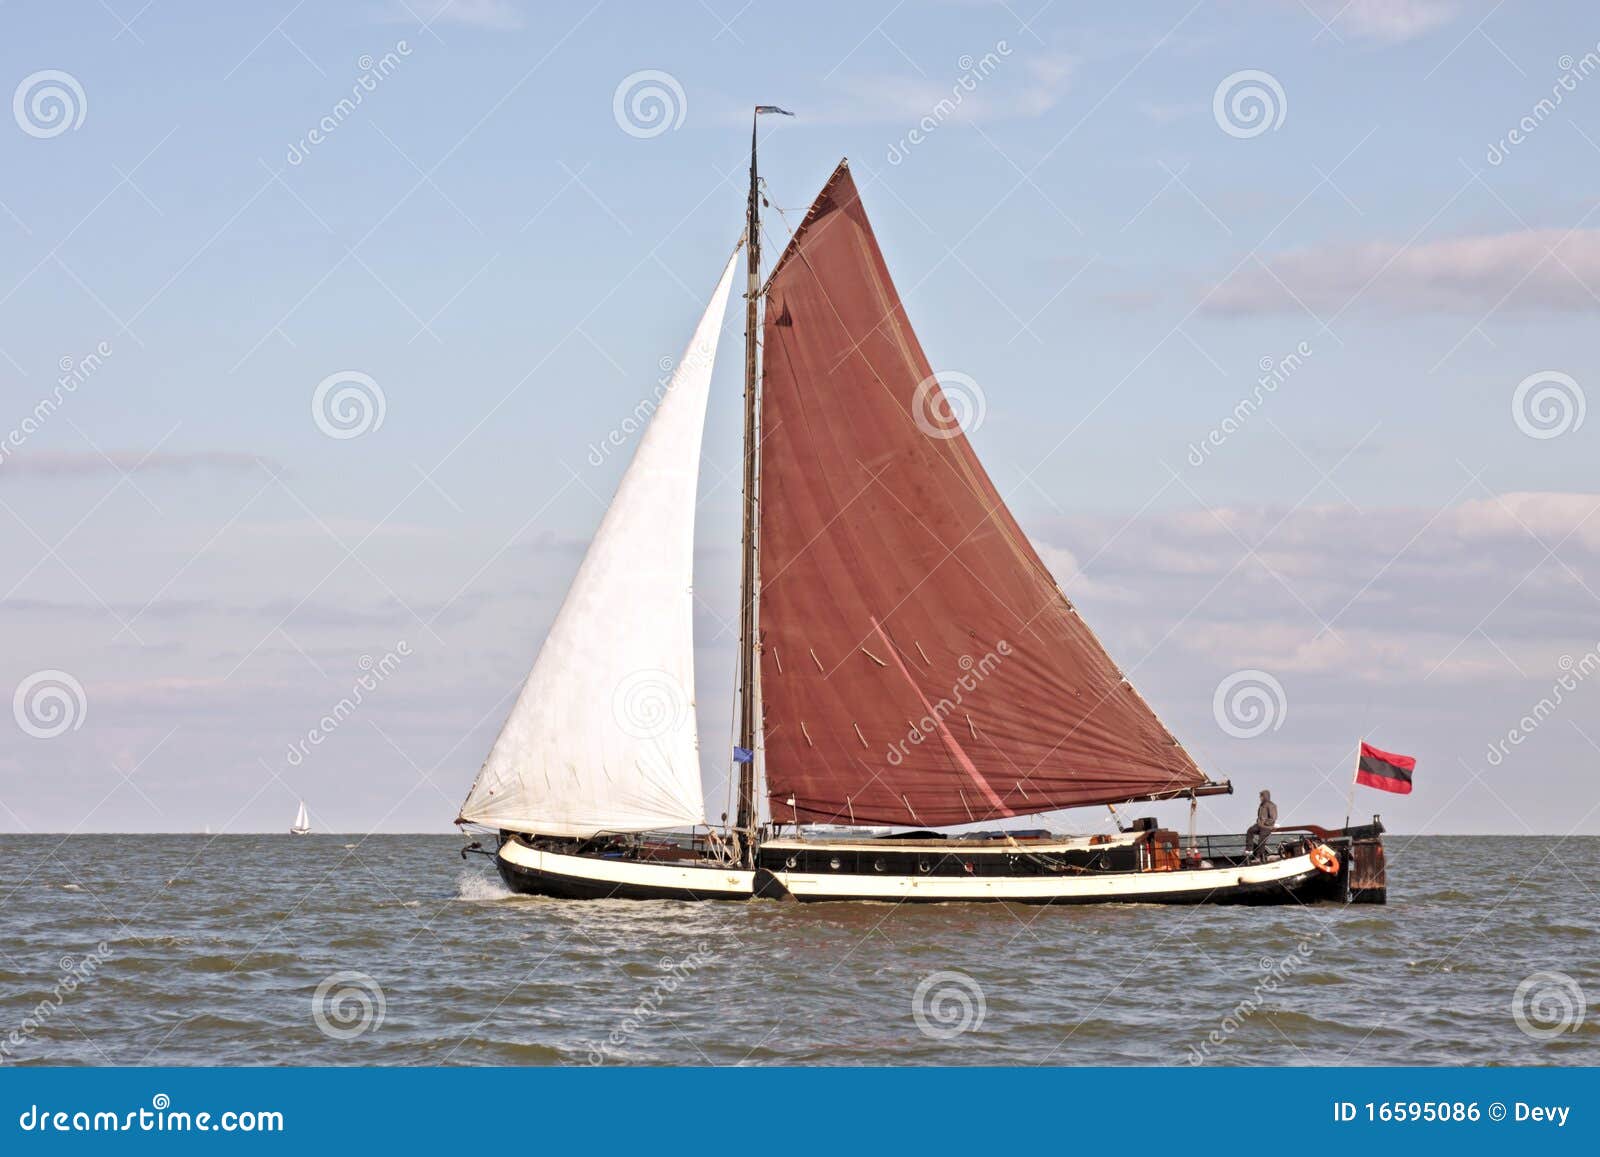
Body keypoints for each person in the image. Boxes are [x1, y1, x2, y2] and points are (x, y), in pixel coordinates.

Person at [1245, 789, 1278, 861]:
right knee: (1250, 831)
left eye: (1261, 796)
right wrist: (1259, 822)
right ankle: (1249, 849)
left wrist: (1265, 823)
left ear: (1265, 796)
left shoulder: (1271, 805)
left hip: (1267, 827)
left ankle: (1259, 857)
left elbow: (1273, 818)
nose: (1260, 798)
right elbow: (1259, 816)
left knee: (1261, 841)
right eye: (1260, 796)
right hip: (1259, 825)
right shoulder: (1261, 805)